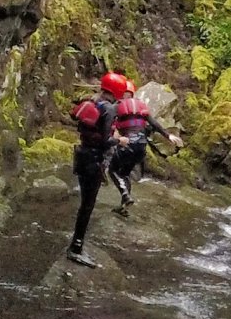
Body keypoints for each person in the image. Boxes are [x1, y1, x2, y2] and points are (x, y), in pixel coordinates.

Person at [66, 70, 129, 267]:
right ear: (118, 91)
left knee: (85, 203)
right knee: (87, 205)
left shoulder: (92, 101)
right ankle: (76, 248)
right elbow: (105, 141)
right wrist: (120, 140)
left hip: (82, 155)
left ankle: (77, 245)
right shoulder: (109, 109)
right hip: (94, 160)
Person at [107, 82, 176, 214]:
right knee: (125, 173)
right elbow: (154, 123)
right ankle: (124, 208)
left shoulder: (118, 105)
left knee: (113, 170)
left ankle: (125, 194)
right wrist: (168, 136)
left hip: (128, 144)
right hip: (141, 146)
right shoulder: (140, 106)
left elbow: (108, 122)